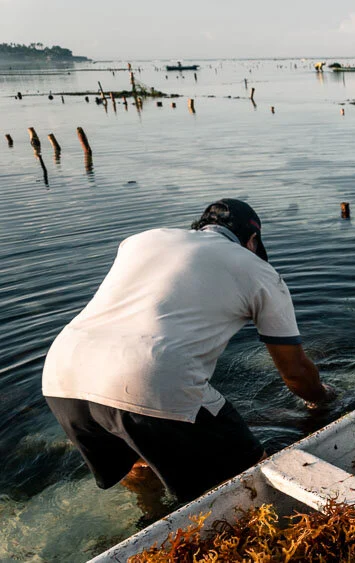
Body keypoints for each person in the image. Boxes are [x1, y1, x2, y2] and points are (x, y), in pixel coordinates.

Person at [42, 199, 331, 503]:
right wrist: (325, 400)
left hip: (62, 374)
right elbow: (296, 373)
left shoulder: (142, 240)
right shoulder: (259, 270)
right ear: (252, 240)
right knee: (253, 479)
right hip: (147, 375)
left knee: (138, 463)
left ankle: (151, 514)